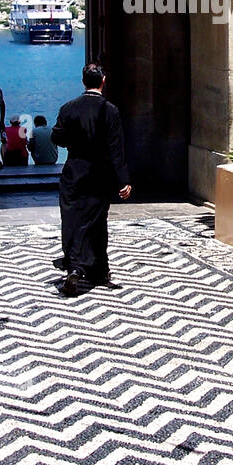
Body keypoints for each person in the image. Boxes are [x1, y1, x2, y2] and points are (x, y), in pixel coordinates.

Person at [51, 63, 131, 296]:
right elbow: (116, 149)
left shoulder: (68, 109)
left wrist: (73, 141)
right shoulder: (110, 110)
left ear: (83, 81)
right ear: (103, 81)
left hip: (74, 171)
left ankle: (75, 267)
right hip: (100, 173)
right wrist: (123, 180)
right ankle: (98, 269)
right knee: (97, 222)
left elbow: (57, 136)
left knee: (73, 219)